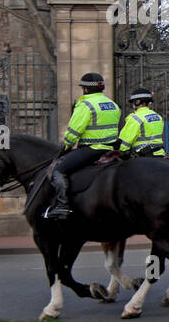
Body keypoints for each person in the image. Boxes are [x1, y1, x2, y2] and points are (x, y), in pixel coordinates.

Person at [45, 72, 122, 219]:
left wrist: (66, 145)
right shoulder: (113, 104)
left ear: (85, 89)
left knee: (58, 171)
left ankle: (62, 206)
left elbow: (74, 131)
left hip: (91, 150)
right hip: (111, 150)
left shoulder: (85, 104)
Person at [117, 86, 166, 157]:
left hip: (143, 156)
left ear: (137, 102)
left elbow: (125, 142)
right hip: (160, 154)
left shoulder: (135, 118)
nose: (132, 105)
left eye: (133, 102)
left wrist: (122, 152)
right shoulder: (158, 116)